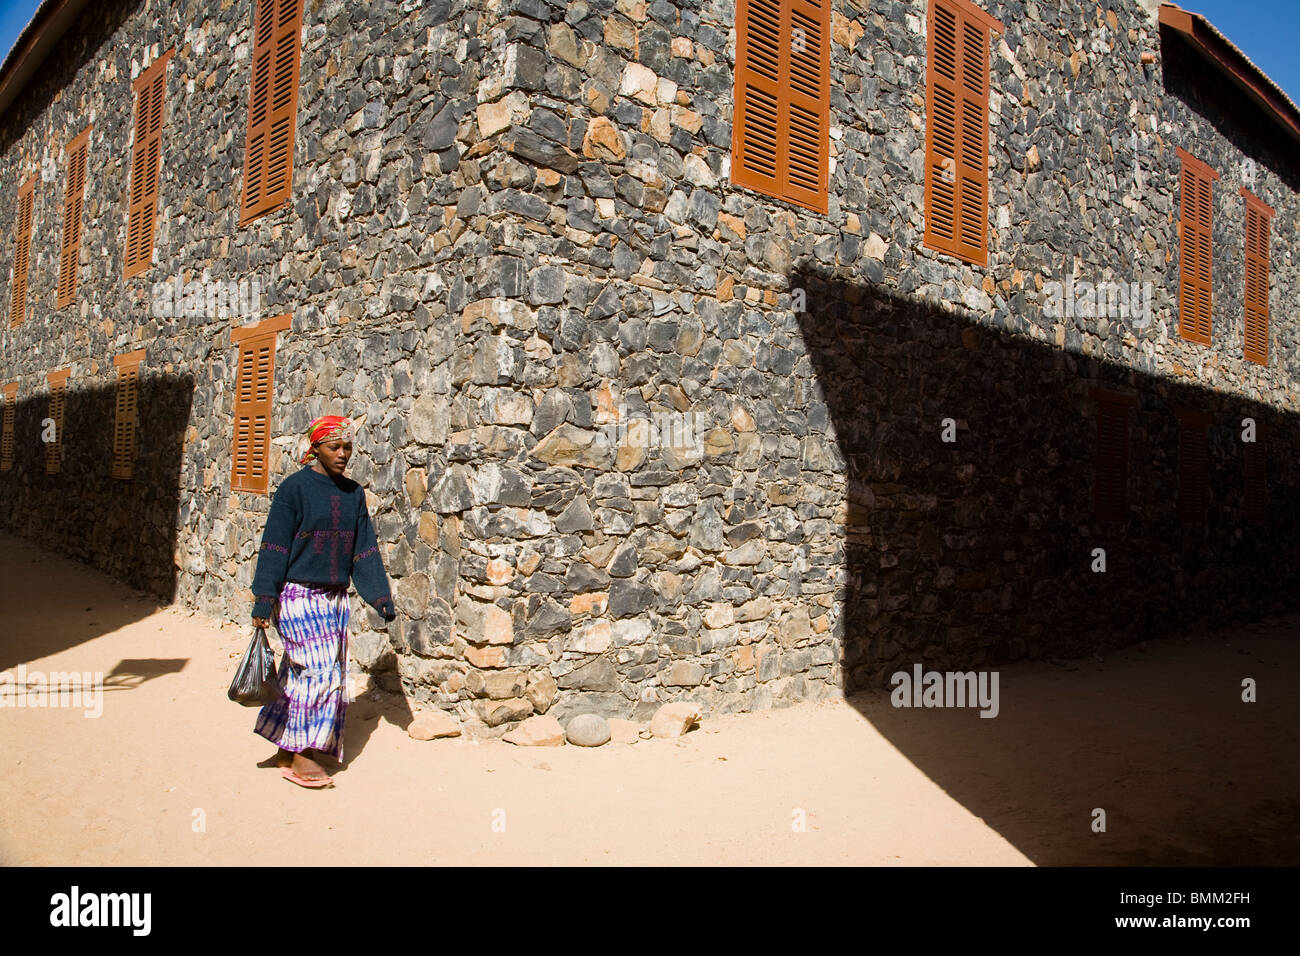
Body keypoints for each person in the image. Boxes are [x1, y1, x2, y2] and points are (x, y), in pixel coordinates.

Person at [248, 414, 397, 788]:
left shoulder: (353, 494)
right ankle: (303, 754)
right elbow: (275, 547)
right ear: (315, 448)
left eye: (348, 447)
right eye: (335, 447)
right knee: (319, 673)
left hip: (334, 600)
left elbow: (364, 550)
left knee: (299, 674)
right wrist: (264, 601)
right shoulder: (293, 490)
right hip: (297, 597)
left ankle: (284, 746)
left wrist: (380, 597)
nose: (343, 454)